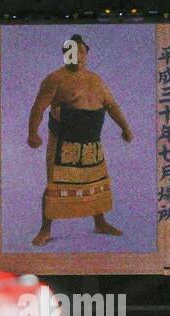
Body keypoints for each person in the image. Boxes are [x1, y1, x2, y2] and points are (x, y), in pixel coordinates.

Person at [26, 34, 133, 247]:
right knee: (55, 184)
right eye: (71, 51)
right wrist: (32, 133)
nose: (76, 55)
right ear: (65, 54)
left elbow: (111, 105)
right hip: (64, 142)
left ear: (86, 54)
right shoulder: (55, 79)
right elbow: (39, 106)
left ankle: (100, 223)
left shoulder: (96, 79)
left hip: (92, 142)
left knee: (95, 181)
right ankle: (45, 229)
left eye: (81, 51)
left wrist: (125, 128)